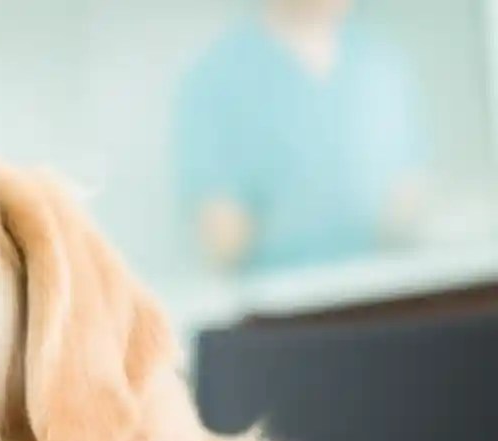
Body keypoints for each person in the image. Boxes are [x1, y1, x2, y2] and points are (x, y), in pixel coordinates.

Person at [173, 0, 427, 275]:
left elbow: (409, 196)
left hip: (382, 293)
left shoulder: (378, 62)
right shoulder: (218, 78)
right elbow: (222, 237)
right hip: (279, 305)